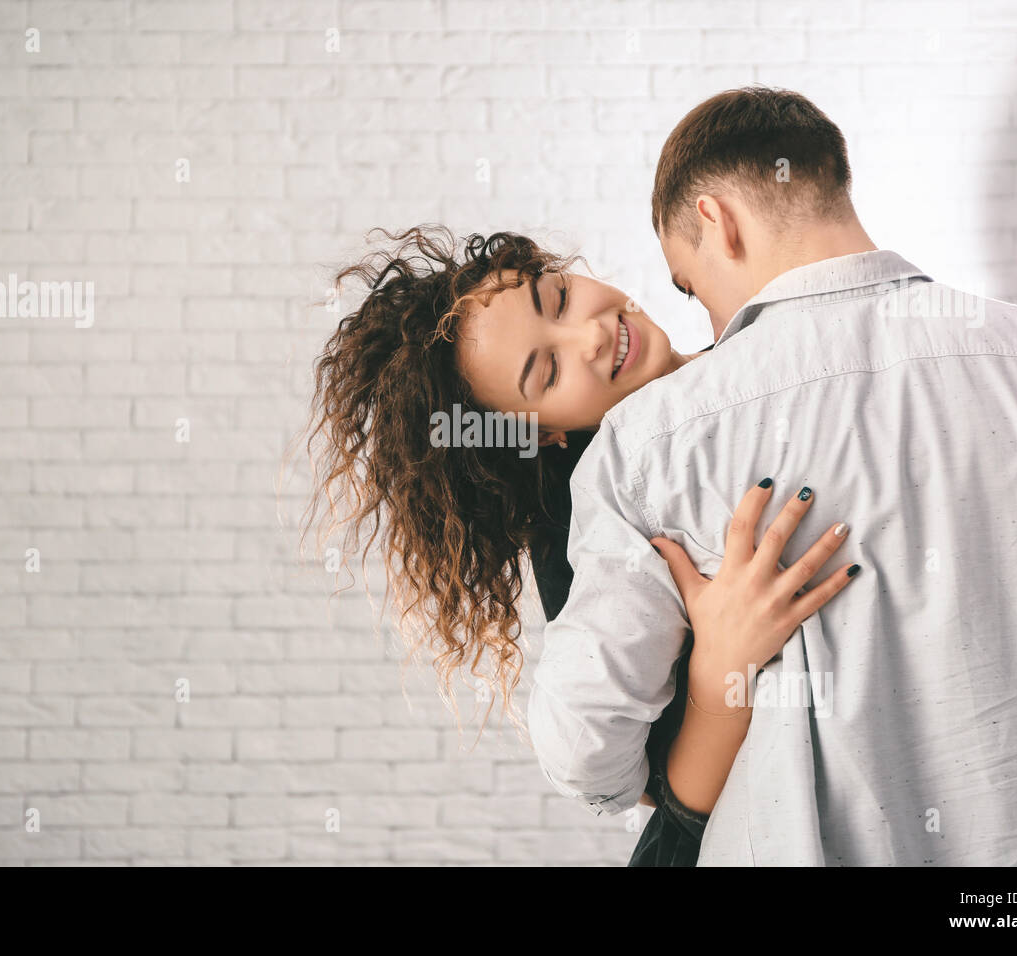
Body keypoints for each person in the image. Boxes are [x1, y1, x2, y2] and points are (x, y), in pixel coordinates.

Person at [529, 85, 1017, 865]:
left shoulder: (648, 445)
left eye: (690, 286)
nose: (711, 331)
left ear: (718, 221)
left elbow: (585, 749)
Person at [300, 223, 858, 865]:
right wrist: (720, 666)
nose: (592, 335)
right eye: (548, 371)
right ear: (541, 436)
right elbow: (615, 777)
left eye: (557, 298)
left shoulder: (757, 346)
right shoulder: (595, 523)